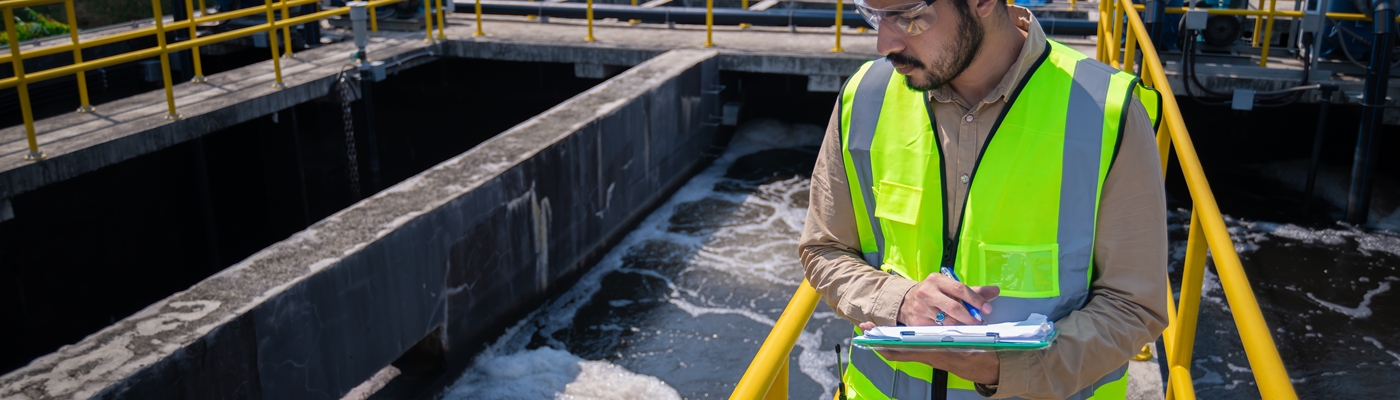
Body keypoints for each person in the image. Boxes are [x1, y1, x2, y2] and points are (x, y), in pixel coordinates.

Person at [797, 0, 1169, 397]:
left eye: (908, 16)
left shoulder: (1105, 110)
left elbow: (1133, 306)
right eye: (873, 16)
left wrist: (1007, 369)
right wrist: (897, 300)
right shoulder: (864, 97)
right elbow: (824, 248)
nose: (884, 43)